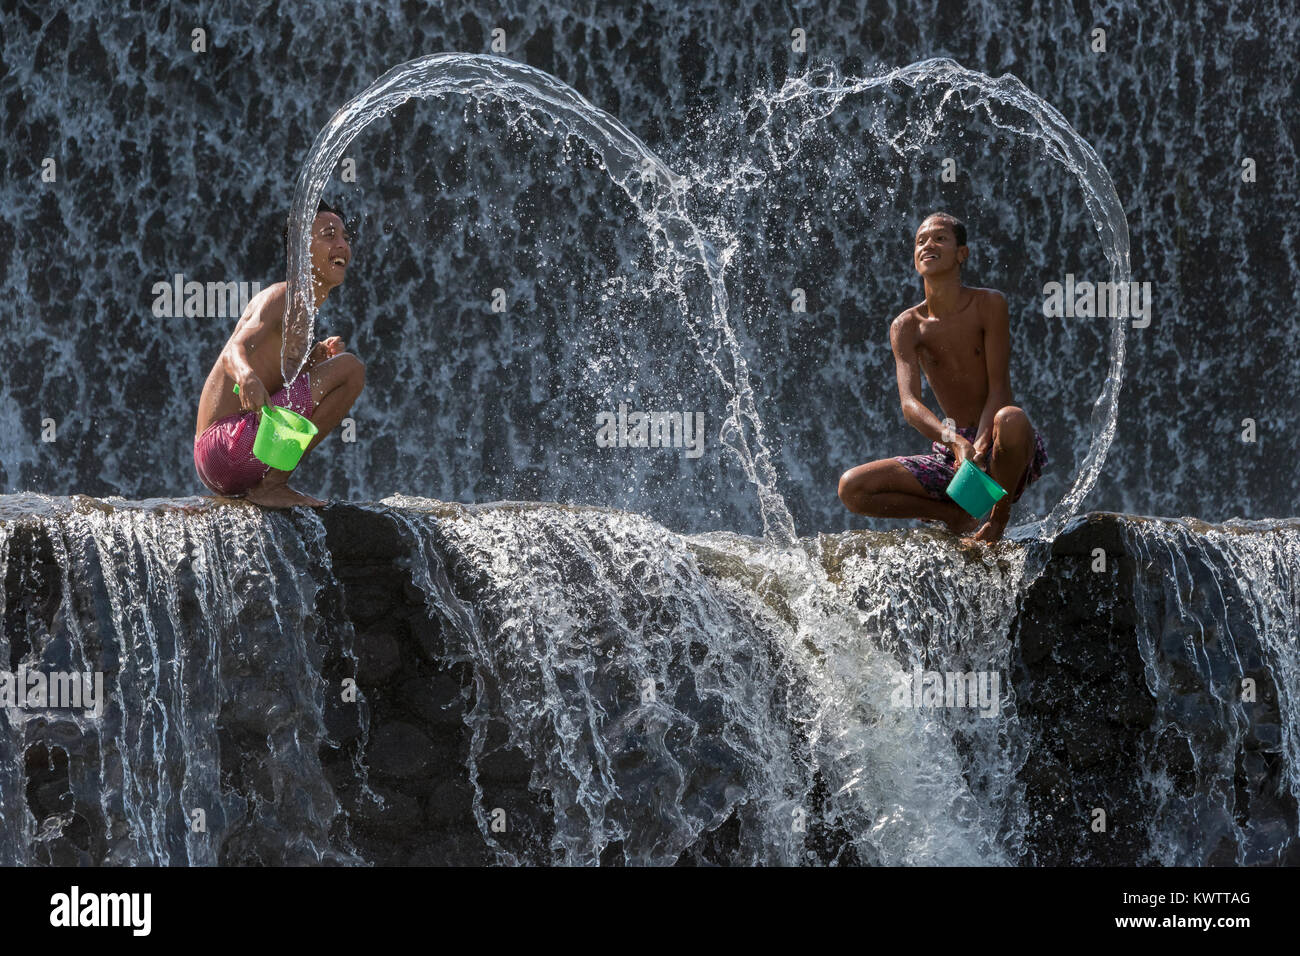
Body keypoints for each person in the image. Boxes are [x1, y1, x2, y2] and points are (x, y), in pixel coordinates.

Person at [837, 212, 1047, 543]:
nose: (927, 245)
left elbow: (1000, 388)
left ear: (962, 253)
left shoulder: (989, 304)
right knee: (852, 487)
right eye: (920, 241)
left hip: (1002, 446)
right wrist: (956, 443)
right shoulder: (907, 326)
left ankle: (997, 521)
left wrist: (979, 445)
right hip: (951, 451)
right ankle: (955, 515)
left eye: (939, 238)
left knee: (1012, 418)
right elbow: (910, 405)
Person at [193, 200, 365, 507]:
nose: (342, 245)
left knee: (339, 368)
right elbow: (234, 350)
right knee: (350, 370)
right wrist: (246, 377)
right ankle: (273, 484)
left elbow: (277, 387)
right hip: (225, 444)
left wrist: (313, 360)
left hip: (226, 459)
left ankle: (268, 483)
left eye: (345, 238)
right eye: (329, 235)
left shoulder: (303, 312)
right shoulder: (285, 295)